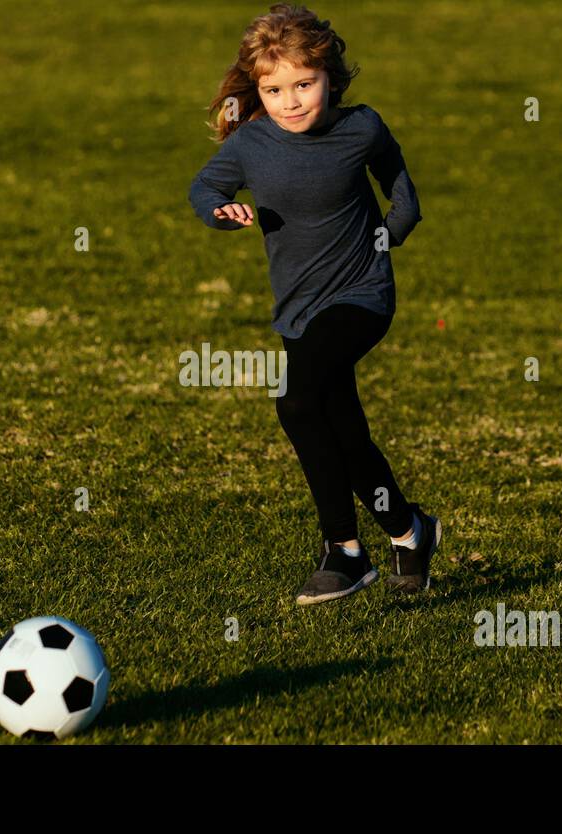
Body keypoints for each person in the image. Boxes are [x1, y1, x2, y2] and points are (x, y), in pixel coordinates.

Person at [187, 3, 441, 605]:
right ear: (259, 90)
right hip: (298, 308)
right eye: (274, 89)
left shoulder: (362, 128)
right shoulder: (251, 144)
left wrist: (390, 232)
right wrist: (220, 212)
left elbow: (402, 192)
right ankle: (409, 531)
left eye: (305, 84)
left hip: (362, 295)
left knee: (298, 402)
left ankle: (344, 553)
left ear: (331, 77)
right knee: (344, 430)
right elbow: (205, 187)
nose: (291, 101)